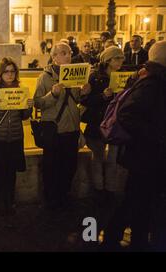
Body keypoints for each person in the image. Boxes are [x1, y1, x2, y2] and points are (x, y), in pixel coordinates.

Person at [102, 41, 166, 251]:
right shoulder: (151, 82)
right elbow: (127, 114)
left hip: (144, 153)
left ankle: (129, 236)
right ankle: (123, 237)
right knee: (137, 198)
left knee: (138, 198)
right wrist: (155, 136)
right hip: (146, 154)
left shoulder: (148, 77)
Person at [34, 42, 91, 210]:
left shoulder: (75, 76)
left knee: (69, 167)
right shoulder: (44, 77)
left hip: (71, 129)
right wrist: (53, 94)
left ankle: (64, 196)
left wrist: (83, 92)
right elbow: (37, 103)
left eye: (70, 52)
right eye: (64, 53)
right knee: (51, 167)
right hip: (54, 130)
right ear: (54, 57)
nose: (68, 55)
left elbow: (77, 100)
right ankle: (51, 199)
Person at [0, 58, 33, 215]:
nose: (10, 74)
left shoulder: (20, 89)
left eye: (13, 71)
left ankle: (10, 201)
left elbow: (24, 116)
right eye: (7, 71)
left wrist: (28, 107)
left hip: (15, 137)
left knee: (11, 172)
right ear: (0, 73)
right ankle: (0, 203)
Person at [81, 46, 125, 205]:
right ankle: (99, 190)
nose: (120, 61)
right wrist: (103, 96)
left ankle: (110, 190)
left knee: (112, 159)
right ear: (108, 60)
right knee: (98, 158)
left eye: (121, 58)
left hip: (115, 125)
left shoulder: (123, 77)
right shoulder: (94, 78)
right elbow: (85, 101)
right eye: (117, 58)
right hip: (97, 124)